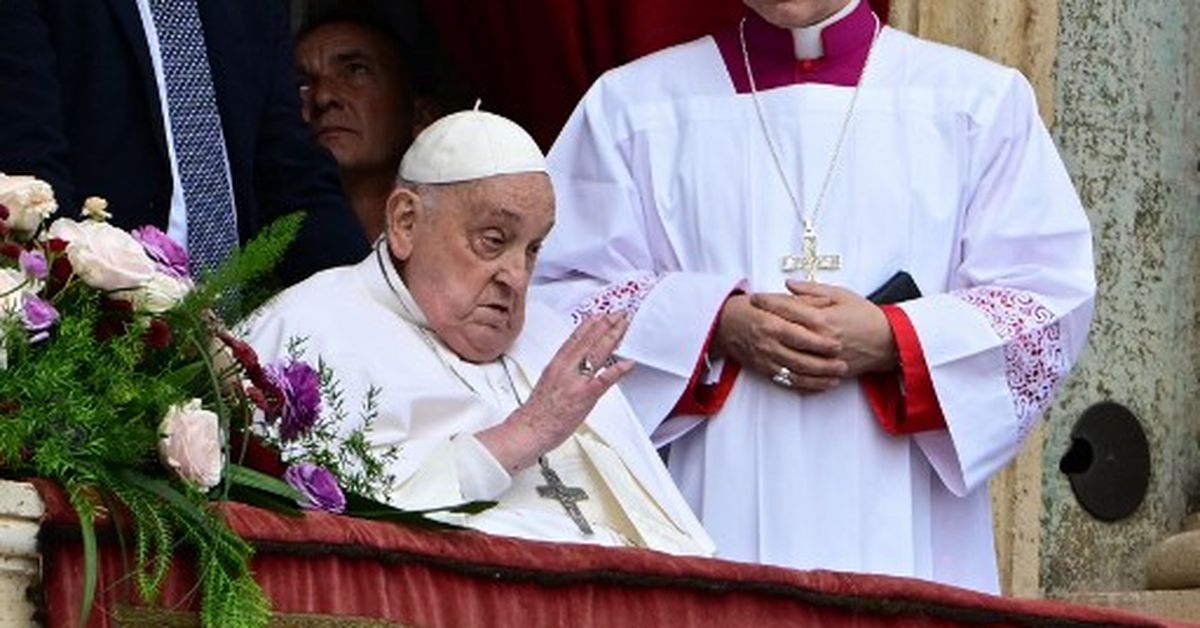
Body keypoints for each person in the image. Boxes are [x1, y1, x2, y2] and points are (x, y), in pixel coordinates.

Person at [532, 0, 1095, 592]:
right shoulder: (632, 107)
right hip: (709, 501)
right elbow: (556, 295)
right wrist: (713, 322)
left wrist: (893, 338)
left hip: (906, 515)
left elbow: (1045, 298)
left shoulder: (977, 101)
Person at [245, 109, 714, 555]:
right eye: (493, 240)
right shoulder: (311, 327)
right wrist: (523, 434)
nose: (516, 275)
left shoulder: (551, 340)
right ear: (406, 221)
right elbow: (327, 527)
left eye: (532, 249)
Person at [0, 0, 367, 284]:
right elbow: (30, 179)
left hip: (229, 349)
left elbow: (293, 180)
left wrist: (368, 298)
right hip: (87, 334)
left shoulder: (250, 9)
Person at [295, 12, 439, 241]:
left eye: (355, 70)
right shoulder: (263, 254)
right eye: (302, 84)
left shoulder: (453, 253)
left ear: (420, 117)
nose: (323, 97)